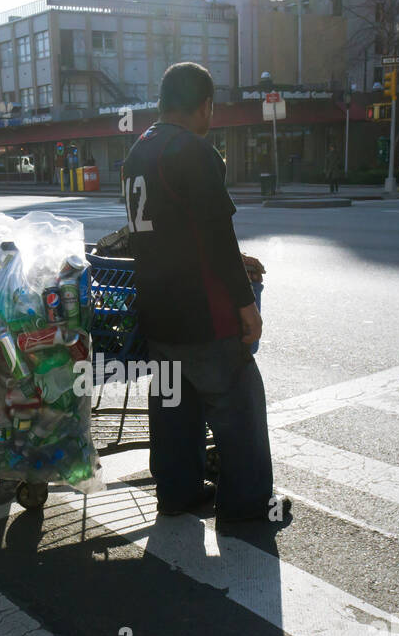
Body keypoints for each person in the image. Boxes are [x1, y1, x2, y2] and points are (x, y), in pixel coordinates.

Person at [121, 61, 283, 525]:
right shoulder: (192, 151)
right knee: (239, 404)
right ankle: (247, 505)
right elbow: (217, 238)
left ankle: (178, 491)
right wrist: (245, 305)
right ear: (206, 106)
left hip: (158, 316)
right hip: (203, 316)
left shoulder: (138, 152)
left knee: (175, 407)